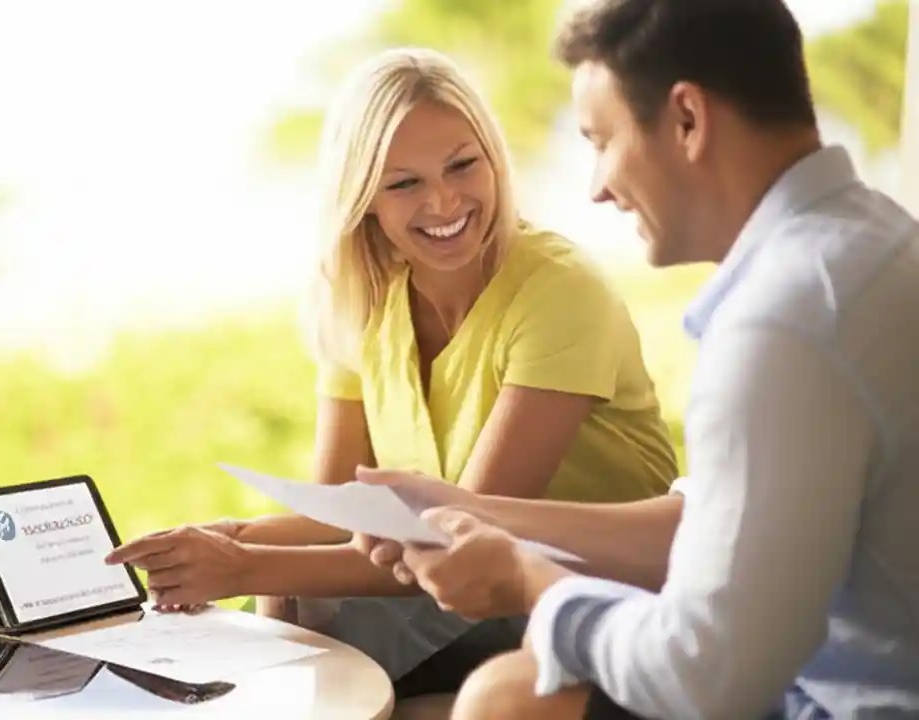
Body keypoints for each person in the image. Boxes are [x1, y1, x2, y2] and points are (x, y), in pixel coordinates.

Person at [353, 1, 919, 718]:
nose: (597, 186)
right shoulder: (872, 241)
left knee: (507, 702)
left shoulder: (783, 321)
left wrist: (529, 583)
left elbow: (706, 678)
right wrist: (474, 511)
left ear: (687, 120)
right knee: (511, 687)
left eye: (601, 139)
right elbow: (712, 521)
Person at [105, 47, 677, 696]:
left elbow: (463, 539)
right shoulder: (369, 302)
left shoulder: (559, 291)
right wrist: (231, 538)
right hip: (458, 583)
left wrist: (242, 565)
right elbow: (338, 516)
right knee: (280, 610)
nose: (444, 201)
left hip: (578, 588)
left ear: (494, 159)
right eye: (404, 183)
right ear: (365, 199)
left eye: (463, 165)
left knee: (307, 634)